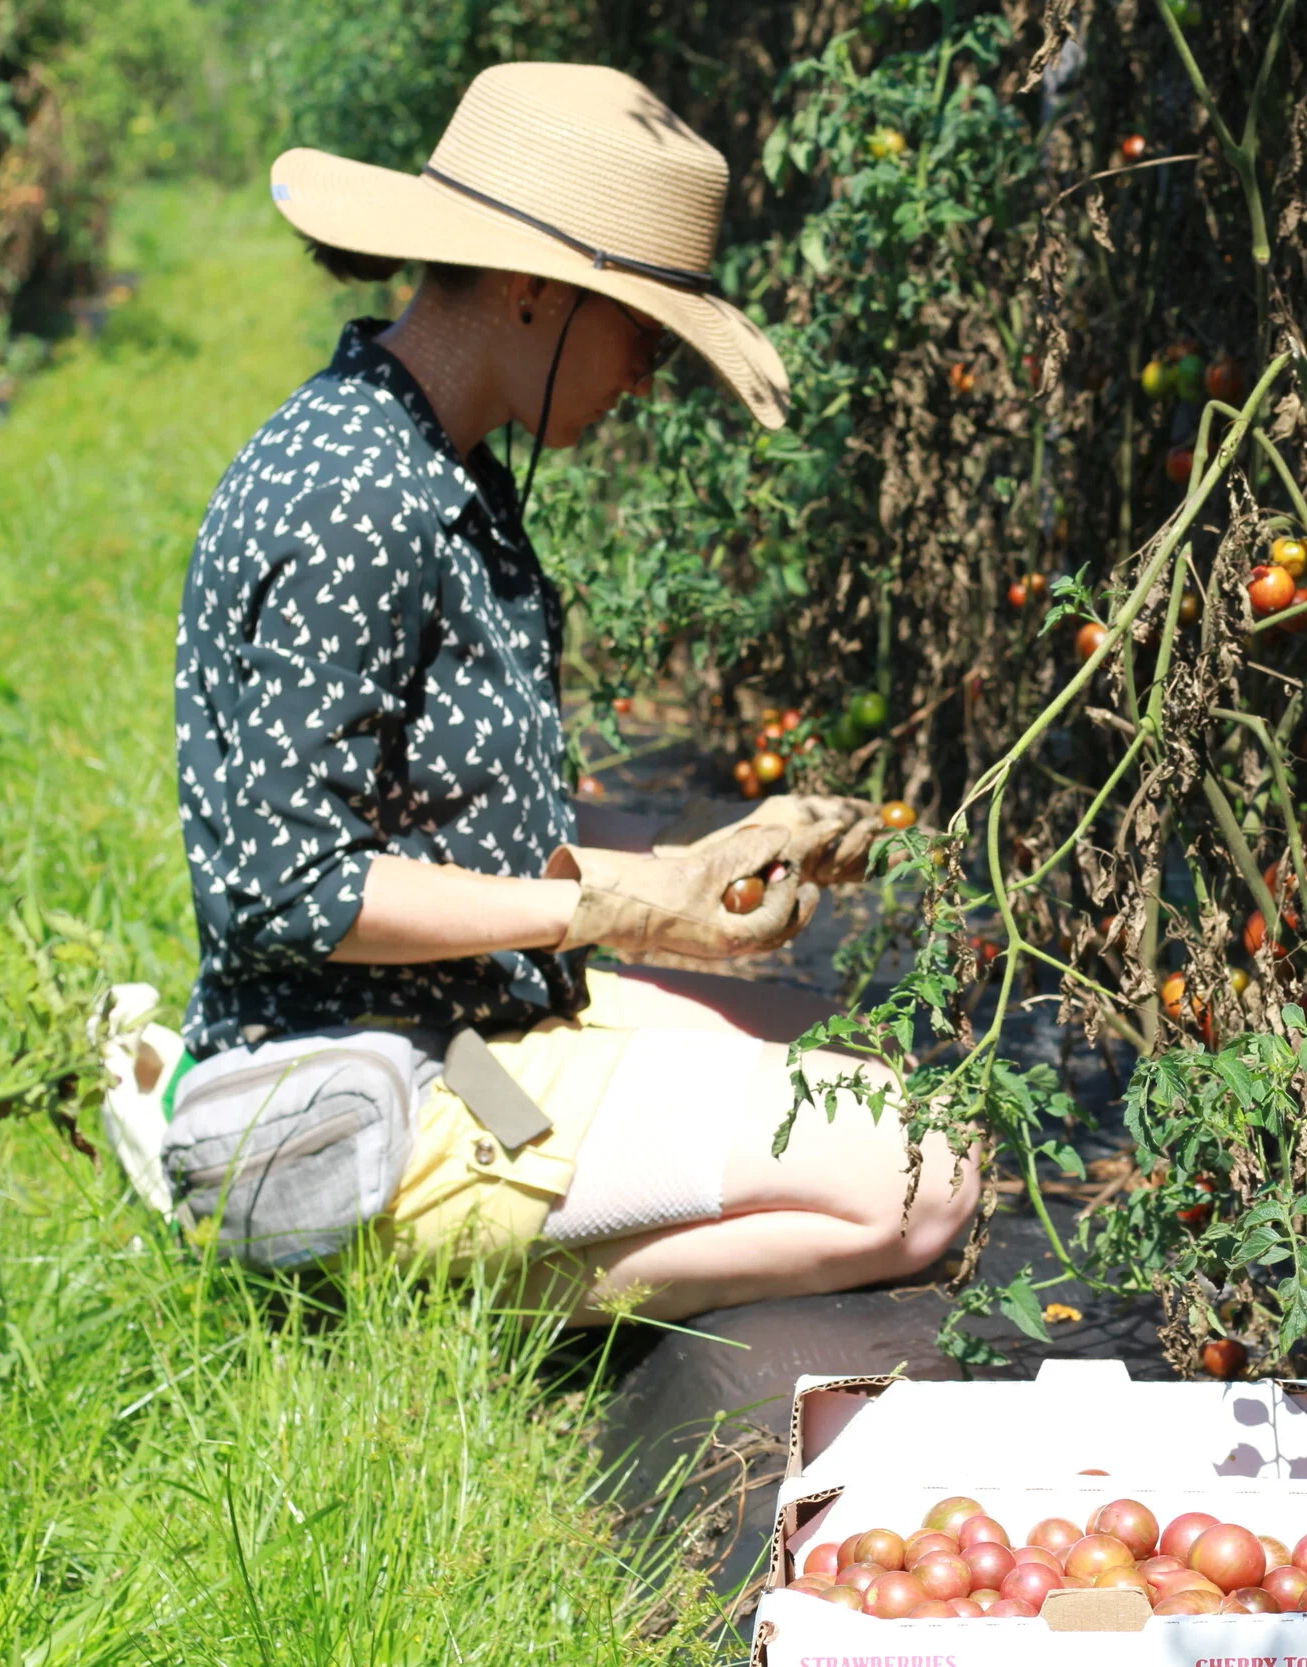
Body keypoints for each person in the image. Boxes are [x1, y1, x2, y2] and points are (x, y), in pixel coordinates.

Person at [169, 61, 976, 1321]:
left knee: (840, 1054)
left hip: (464, 1027)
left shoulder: (439, 466)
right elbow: (290, 891)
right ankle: (430, 1301)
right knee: (917, 1176)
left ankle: (492, 1246)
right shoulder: (357, 493)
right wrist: (608, 901)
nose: (648, 376)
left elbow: (436, 825)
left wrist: (688, 865)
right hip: (361, 1085)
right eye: (645, 332)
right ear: (539, 292)